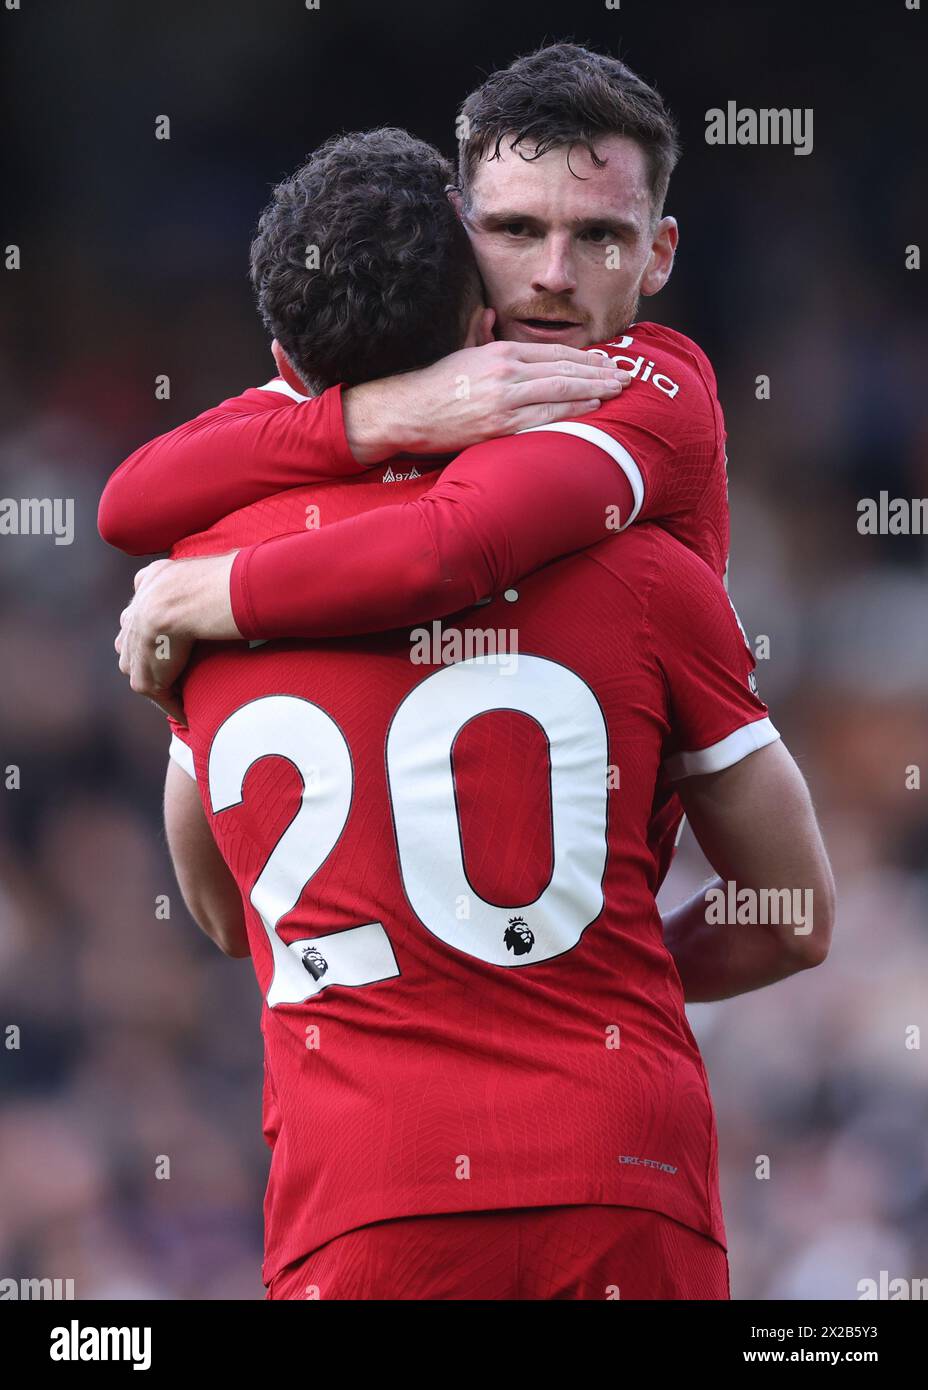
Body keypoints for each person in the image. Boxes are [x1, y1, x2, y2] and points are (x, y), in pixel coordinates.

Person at [108, 124, 834, 1300]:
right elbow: (793, 915)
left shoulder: (198, 596)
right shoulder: (640, 566)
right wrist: (595, 969)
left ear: (281, 354)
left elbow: (228, 912)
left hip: (361, 1205)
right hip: (617, 1173)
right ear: (477, 321)